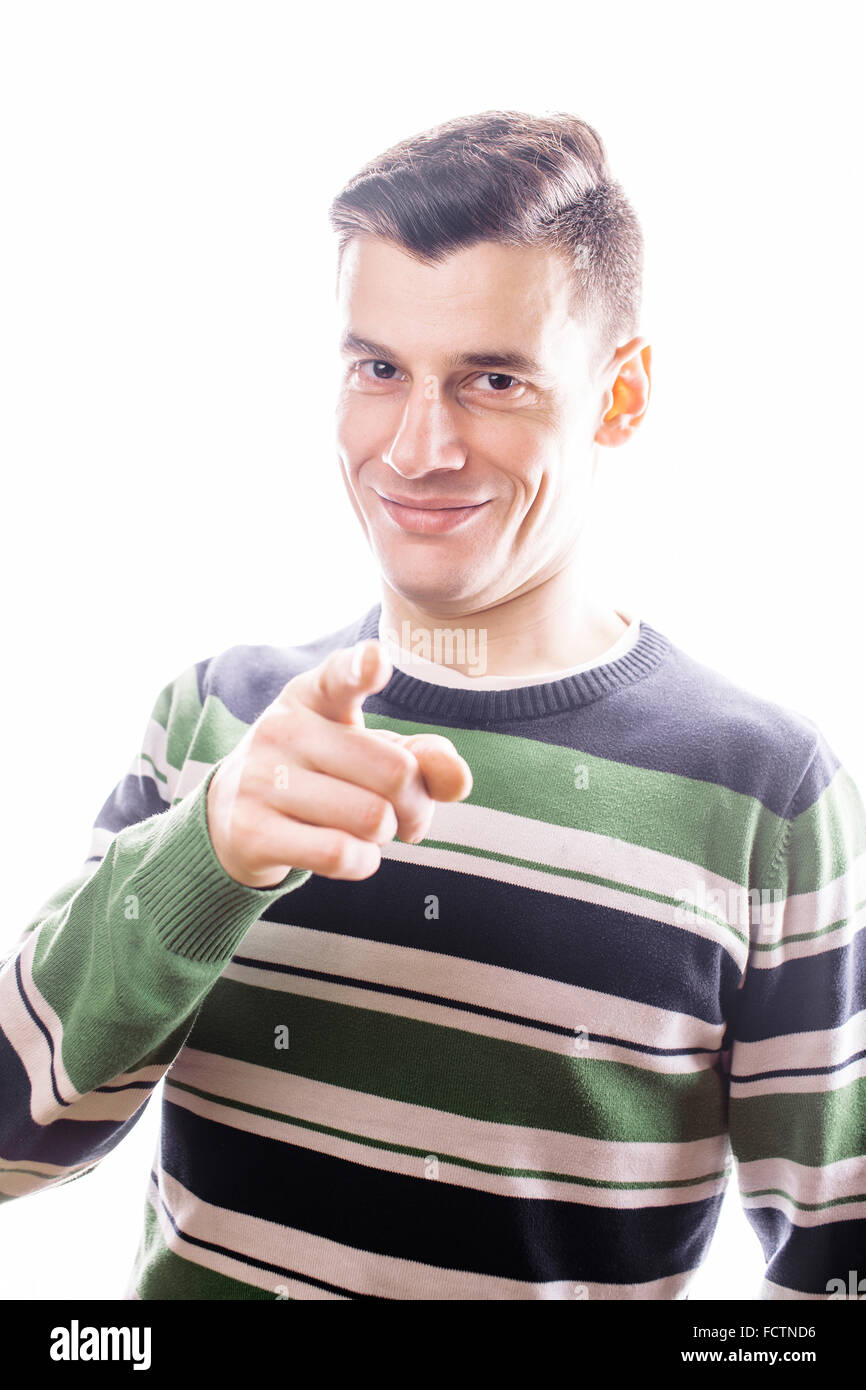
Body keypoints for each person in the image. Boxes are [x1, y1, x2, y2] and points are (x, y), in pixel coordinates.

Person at [2, 109, 863, 1301]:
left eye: (492, 380)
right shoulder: (217, 718)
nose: (415, 448)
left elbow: (836, 1280)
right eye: (378, 369)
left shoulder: (765, 792)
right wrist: (208, 850)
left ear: (620, 395)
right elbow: (10, 1146)